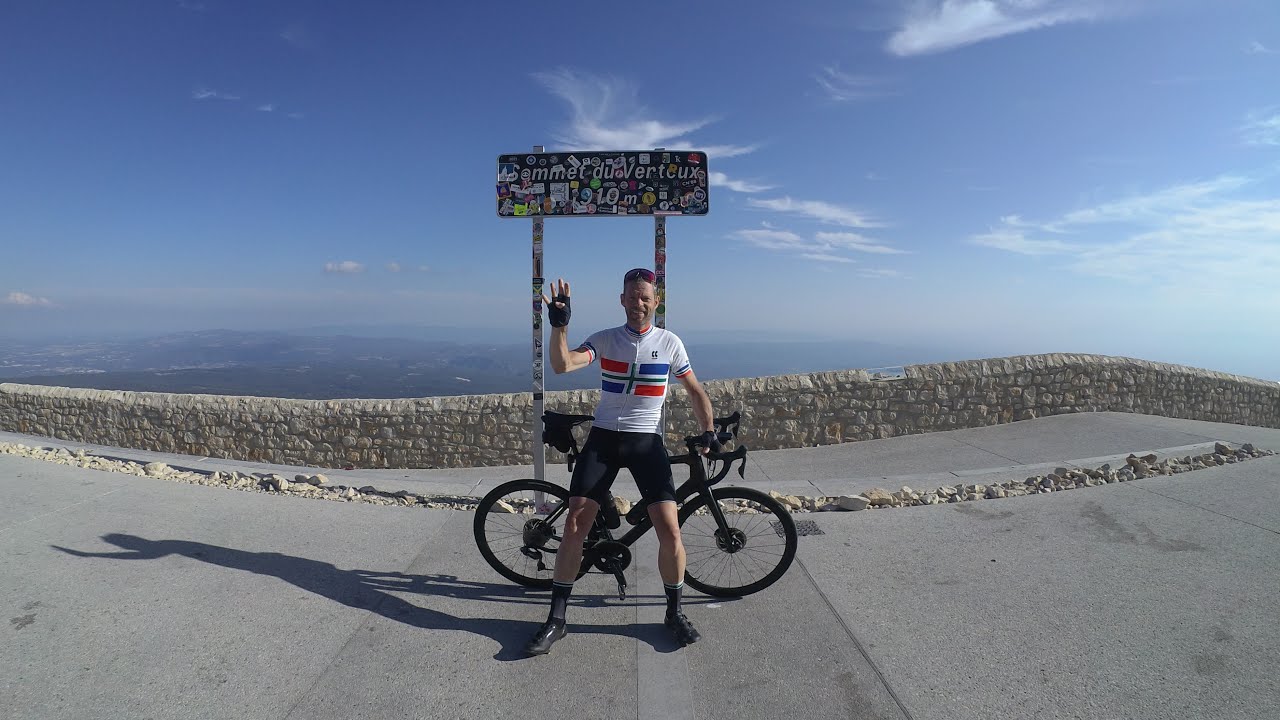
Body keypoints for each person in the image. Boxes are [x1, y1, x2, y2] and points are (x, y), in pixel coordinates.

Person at [525, 267, 721, 655]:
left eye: (645, 297)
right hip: (604, 440)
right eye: (632, 296)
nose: (638, 303)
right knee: (575, 524)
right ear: (622, 300)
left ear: (656, 302)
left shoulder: (670, 343)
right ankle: (557, 619)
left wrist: (710, 430)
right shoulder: (606, 339)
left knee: (670, 531)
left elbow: (695, 390)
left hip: (646, 442)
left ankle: (674, 612)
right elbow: (562, 365)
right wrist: (559, 325)